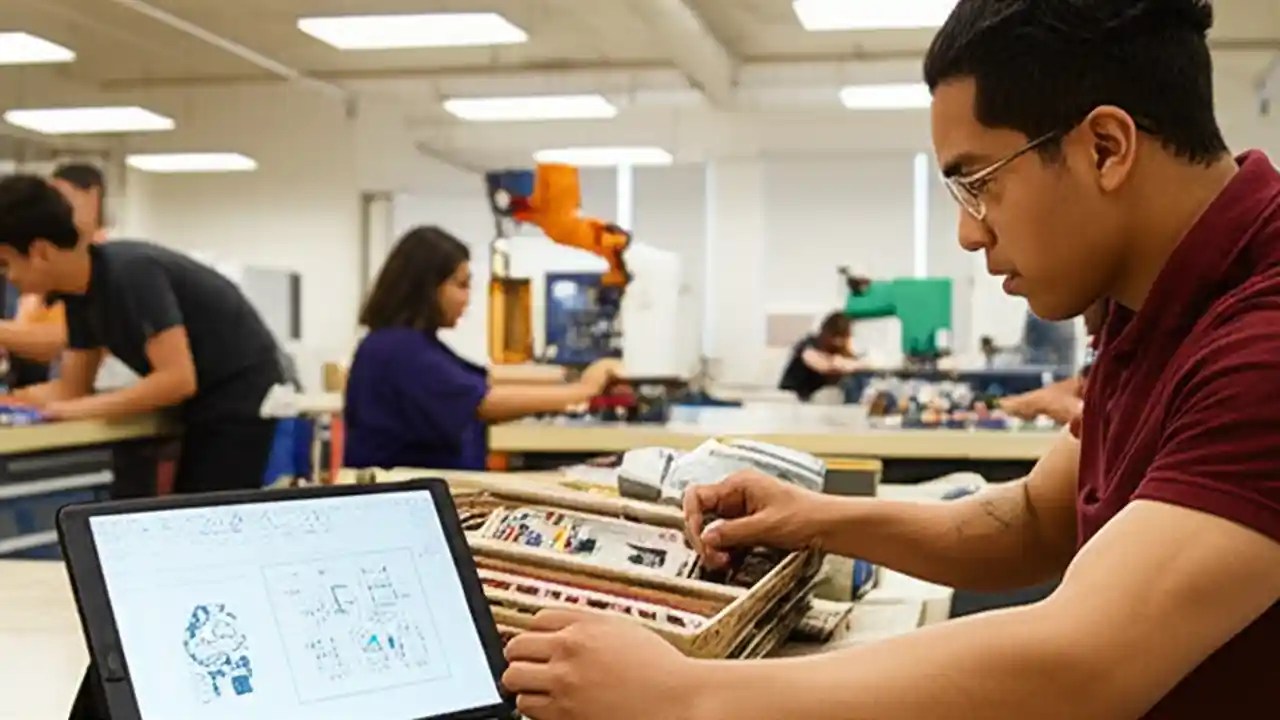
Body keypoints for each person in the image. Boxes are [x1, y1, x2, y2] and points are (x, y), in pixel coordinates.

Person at [501, 2, 1280, 718]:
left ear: (1105, 148)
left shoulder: (1261, 343)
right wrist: (816, 518)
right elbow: (1034, 519)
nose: (970, 234)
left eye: (977, 185)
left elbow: (1079, 664)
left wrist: (684, 695)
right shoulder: (1154, 307)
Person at [0, 174, 284, 495]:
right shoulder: (78, 295)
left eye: (6, 264)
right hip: (201, 400)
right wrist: (15, 403)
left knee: (206, 515)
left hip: (238, 394)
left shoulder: (129, 273)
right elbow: (71, 388)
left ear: (40, 252)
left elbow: (177, 379)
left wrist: (71, 410)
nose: (8, 279)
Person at [344, 226, 623, 471]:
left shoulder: (409, 343)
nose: (467, 298)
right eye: (461, 285)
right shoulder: (400, 350)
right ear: (427, 287)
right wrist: (583, 391)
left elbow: (482, 376)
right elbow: (483, 401)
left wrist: (571, 375)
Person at [777, 311, 860, 401]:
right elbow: (823, 366)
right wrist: (846, 365)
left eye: (843, 337)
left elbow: (849, 363)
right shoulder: (808, 345)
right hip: (795, 397)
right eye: (835, 336)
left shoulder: (839, 351)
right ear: (825, 331)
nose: (837, 342)